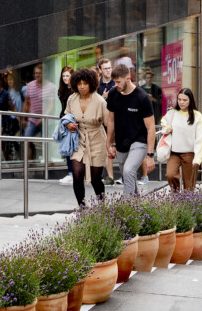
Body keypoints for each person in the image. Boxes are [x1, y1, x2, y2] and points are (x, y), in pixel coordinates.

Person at [106, 59, 157, 195]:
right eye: (114, 82)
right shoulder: (113, 94)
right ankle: (137, 208)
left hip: (139, 142)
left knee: (129, 170)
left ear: (128, 78)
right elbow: (110, 120)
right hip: (121, 142)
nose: (115, 85)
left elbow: (151, 127)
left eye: (118, 82)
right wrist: (109, 143)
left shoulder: (142, 97)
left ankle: (125, 208)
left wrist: (150, 155)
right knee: (127, 176)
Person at [63, 68, 108, 207]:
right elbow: (66, 116)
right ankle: (82, 208)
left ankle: (102, 206)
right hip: (78, 140)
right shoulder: (72, 99)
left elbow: (109, 123)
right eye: (79, 83)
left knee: (96, 178)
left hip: (97, 140)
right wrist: (69, 124)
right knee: (77, 175)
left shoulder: (100, 101)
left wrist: (112, 144)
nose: (82, 86)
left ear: (91, 84)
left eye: (85, 83)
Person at [160, 88, 202, 192]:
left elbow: (200, 138)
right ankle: (176, 197)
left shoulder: (197, 115)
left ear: (190, 101)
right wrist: (166, 128)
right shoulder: (173, 112)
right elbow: (163, 121)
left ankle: (188, 205)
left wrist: (198, 158)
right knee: (170, 174)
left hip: (190, 153)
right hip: (174, 152)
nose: (181, 102)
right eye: (179, 99)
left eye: (185, 100)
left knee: (189, 185)